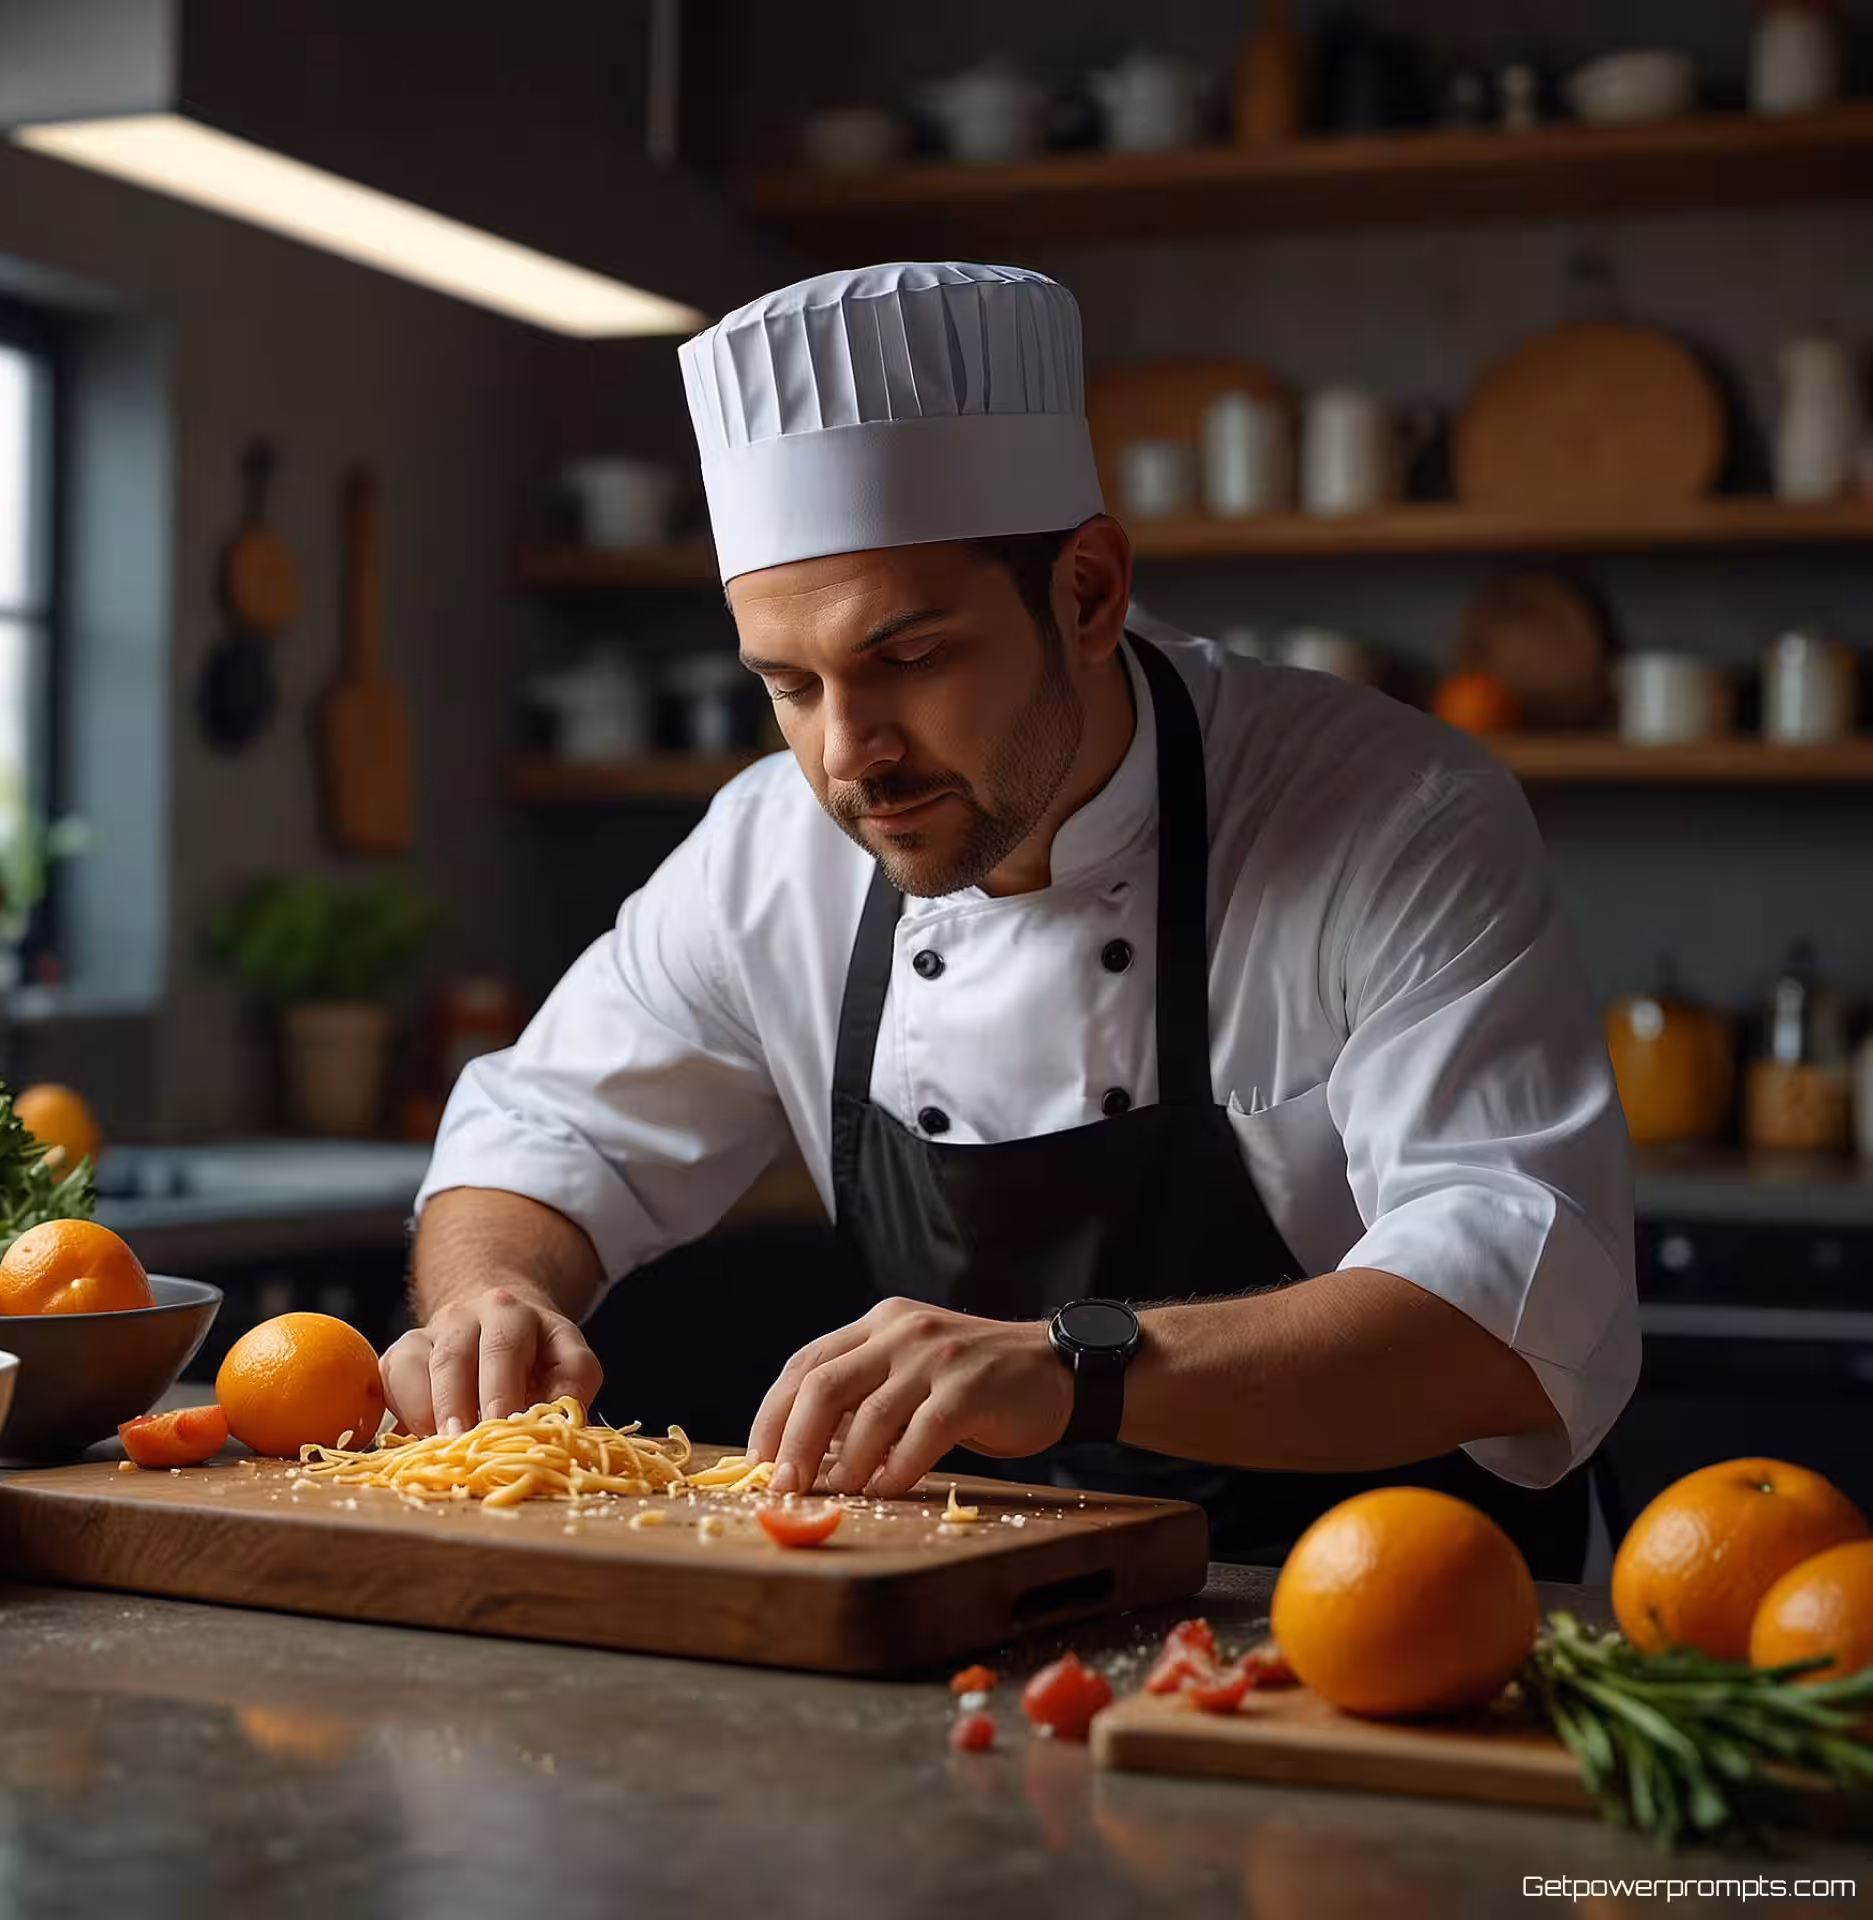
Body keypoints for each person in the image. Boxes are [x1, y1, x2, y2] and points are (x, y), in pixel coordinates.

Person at [390, 262, 1638, 1577]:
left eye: (908, 660)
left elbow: (1514, 1301)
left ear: (1088, 592)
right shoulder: (769, 849)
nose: (849, 755)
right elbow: (547, 1128)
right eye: (790, 684)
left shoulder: (1395, 818)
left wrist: (1077, 1365)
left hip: (1396, 1622)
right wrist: (493, 1296)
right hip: (989, 1614)